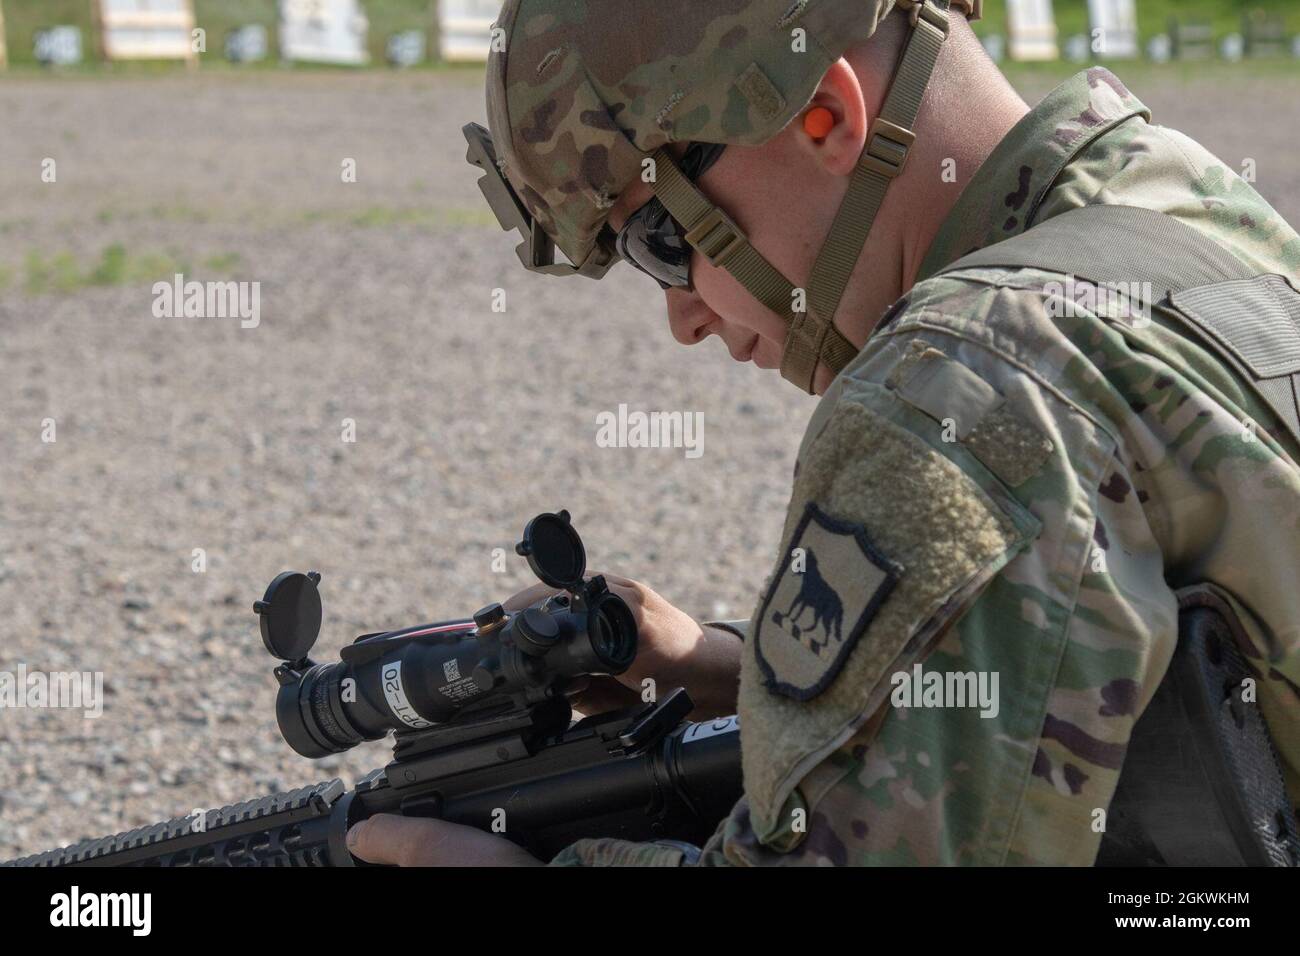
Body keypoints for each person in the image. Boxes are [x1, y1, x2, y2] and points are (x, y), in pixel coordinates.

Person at [348, 0, 1300, 866]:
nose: (682, 320)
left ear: (827, 118)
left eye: (659, 243)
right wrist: (735, 679)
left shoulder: (959, 386)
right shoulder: (1175, 204)